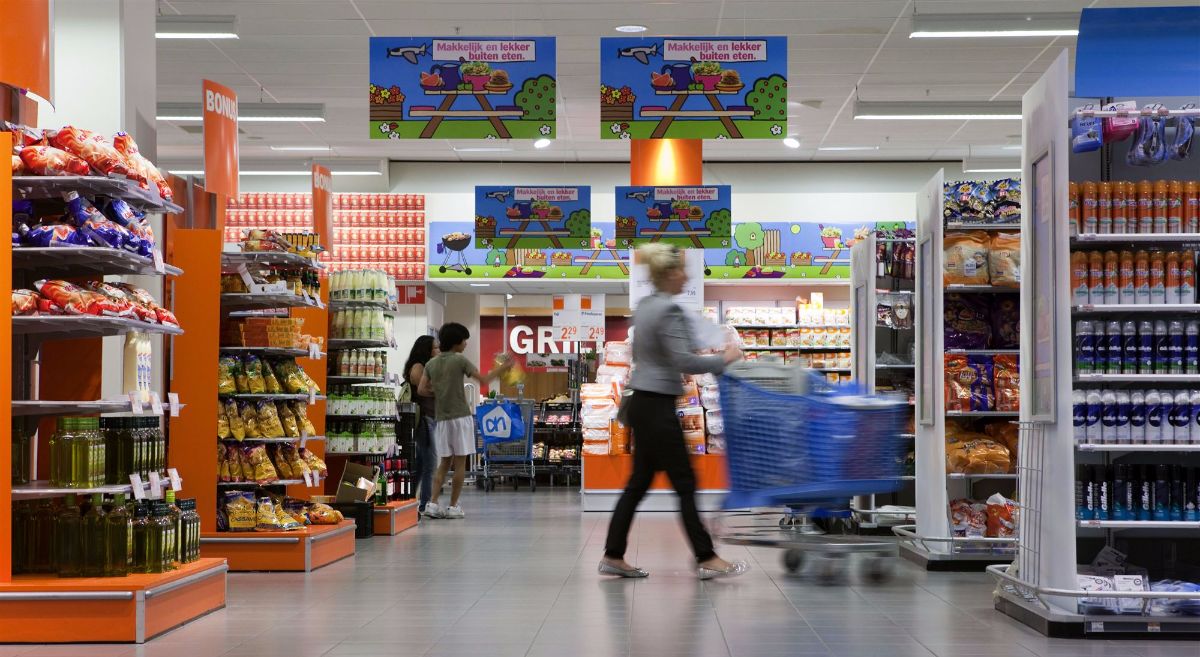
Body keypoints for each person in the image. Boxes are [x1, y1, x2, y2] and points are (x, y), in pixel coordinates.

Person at [600, 244, 748, 580]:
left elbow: (657, 355)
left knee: (639, 483)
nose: (687, 275)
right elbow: (685, 362)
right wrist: (724, 359)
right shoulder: (669, 310)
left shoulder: (646, 307)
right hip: (656, 405)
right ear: (669, 274)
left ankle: (613, 554)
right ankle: (706, 557)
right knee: (684, 481)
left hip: (641, 402)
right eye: (682, 270)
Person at [419, 322, 511, 519]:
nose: (466, 343)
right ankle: (453, 506)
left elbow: (421, 389)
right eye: (464, 340)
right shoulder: (460, 361)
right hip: (461, 416)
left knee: (443, 463)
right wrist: (503, 368)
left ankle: (432, 504)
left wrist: (440, 390)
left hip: (441, 418)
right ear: (456, 342)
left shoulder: (431, 364)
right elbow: (484, 380)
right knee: (460, 463)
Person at [403, 335, 438, 516]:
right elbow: (421, 389)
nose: (437, 351)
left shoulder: (427, 367)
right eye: (434, 348)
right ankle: (426, 504)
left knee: (422, 463)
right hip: (423, 419)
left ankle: (409, 499)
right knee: (430, 463)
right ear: (426, 350)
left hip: (430, 418)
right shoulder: (418, 366)